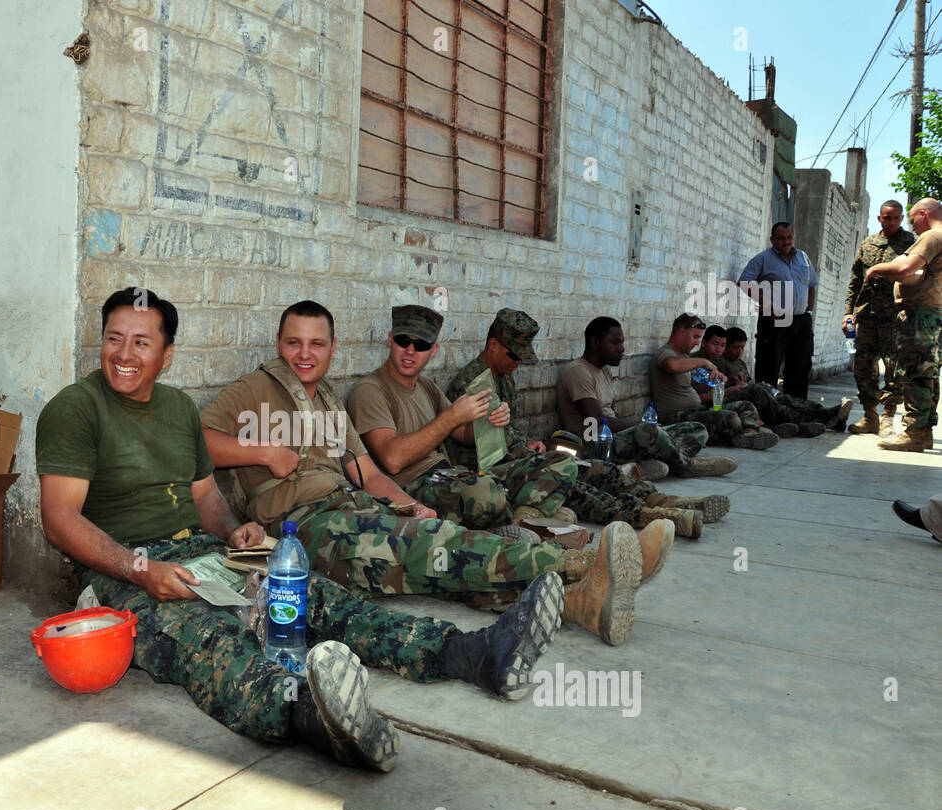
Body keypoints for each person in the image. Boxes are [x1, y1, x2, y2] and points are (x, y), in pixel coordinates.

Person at [35, 289, 567, 774]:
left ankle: (473, 655)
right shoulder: (76, 410)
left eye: (141, 342)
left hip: (202, 551)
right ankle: (312, 715)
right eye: (114, 339)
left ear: (166, 354)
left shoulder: (176, 408)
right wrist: (140, 570)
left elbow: (205, 499)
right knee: (212, 645)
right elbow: (60, 520)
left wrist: (234, 529)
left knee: (324, 602)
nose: (124, 354)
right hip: (127, 569)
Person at [198, 299, 647, 646]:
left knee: (436, 564)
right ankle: (579, 562)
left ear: (333, 349)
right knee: (436, 548)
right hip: (303, 527)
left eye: (316, 344)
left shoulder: (329, 402)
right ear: (280, 344)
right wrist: (262, 451)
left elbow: (370, 474)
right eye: (294, 342)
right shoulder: (257, 386)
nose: (305, 353)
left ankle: (574, 601)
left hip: (352, 507)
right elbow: (196, 438)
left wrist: (411, 506)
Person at [346, 305, 686, 556]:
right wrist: (453, 419)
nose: (410, 351)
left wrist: (488, 421)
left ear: (433, 350)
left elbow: (461, 435)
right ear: (390, 341)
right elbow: (390, 460)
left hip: (457, 474)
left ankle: (530, 523)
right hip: (420, 483)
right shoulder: (370, 391)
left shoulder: (427, 387)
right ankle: (543, 522)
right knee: (488, 493)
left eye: (421, 345)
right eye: (403, 341)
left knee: (562, 464)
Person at [446, 309, 730, 534]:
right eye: (514, 355)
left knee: (594, 469)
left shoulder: (502, 377)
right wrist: (523, 452)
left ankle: (661, 500)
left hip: (519, 457)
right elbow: (480, 445)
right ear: (493, 345)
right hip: (492, 472)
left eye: (523, 357)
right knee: (576, 482)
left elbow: (506, 431)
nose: (518, 363)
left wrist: (529, 444)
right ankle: (650, 514)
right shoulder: (473, 384)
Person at [555, 315, 737, 477]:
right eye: (615, 343)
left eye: (622, 342)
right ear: (595, 343)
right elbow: (595, 424)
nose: (622, 349)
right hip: (595, 446)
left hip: (616, 438)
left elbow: (612, 415)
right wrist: (640, 426)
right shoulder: (578, 372)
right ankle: (686, 466)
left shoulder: (603, 371)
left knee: (696, 429)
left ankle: (649, 462)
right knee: (650, 432)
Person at [863, 197, 942, 453]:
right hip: (933, 314)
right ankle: (924, 430)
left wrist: (877, 269)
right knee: (929, 373)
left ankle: (914, 433)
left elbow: (907, 266)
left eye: (912, 219)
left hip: (919, 315)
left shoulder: (932, 236)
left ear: (922, 213)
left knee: (915, 373)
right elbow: (919, 273)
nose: (912, 225)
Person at [650, 313, 778, 450]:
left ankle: (750, 434)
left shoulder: (684, 357)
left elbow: (699, 385)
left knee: (745, 406)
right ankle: (743, 435)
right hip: (676, 417)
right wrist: (704, 362)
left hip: (696, 409)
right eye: (695, 337)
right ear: (681, 332)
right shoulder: (665, 353)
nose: (697, 342)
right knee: (730, 418)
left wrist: (723, 382)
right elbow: (672, 365)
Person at [696, 325, 851, 437]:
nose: (719, 349)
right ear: (704, 343)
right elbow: (704, 394)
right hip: (718, 403)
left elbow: (728, 384)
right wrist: (734, 387)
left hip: (732, 395)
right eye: (715, 344)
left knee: (779, 396)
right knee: (760, 393)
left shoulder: (727, 362)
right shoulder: (699, 362)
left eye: (722, 345)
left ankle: (825, 414)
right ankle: (820, 419)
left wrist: (734, 383)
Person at [844, 200, 915, 436]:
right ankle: (870, 416)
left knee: (895, 371)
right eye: (887, 218)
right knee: (863, 367)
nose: (892, 222)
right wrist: (848, 313)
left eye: (896, 218)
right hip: (866, 317)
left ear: (902, 218)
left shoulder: (911, 245)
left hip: (894, 320)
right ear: (879, 218)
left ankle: (888, 418)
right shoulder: (868, 244)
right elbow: (854, 282)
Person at [738, 222, 818, 398]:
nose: (786, 241)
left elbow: (812, 286)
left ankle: (797, 411)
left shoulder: (803, 257)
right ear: (772, 239)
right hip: (774, 322)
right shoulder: (763, 259)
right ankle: (766, 412)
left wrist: (809, 312)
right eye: (781, 238)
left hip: (800, 321)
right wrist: (766, 304)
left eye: (789, 237)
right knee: (769, 368)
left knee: (800, 368)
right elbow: (745, 282)